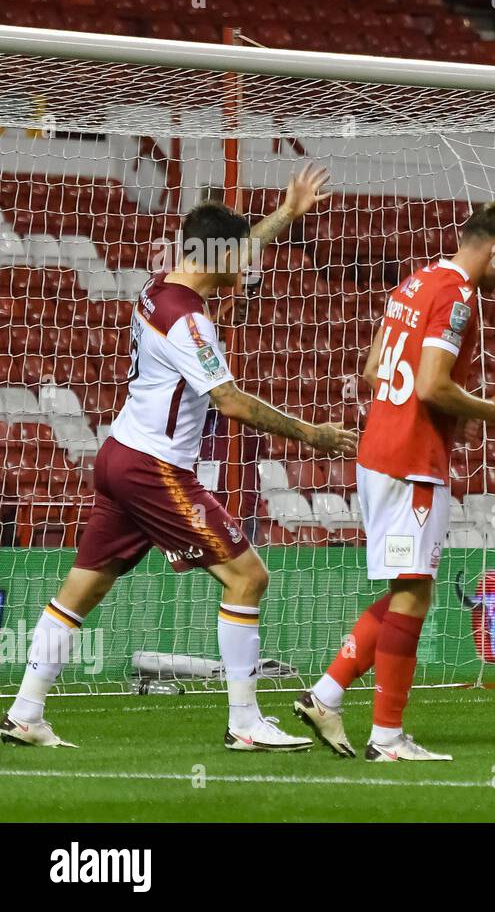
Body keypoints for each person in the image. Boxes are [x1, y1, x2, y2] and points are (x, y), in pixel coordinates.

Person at [1, 166, 358, 750]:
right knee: (248, 577)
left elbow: (227, 249)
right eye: (238, 257)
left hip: (119, 453)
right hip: (154, 468)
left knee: (80, 591)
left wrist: (287, 215)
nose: (247, 266)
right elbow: (229, 400)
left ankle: (25, 712)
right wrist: (312, 435)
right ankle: (245, 723)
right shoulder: (189, 322)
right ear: (215, 255)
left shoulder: (161, 284)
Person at [294, 203, 495, 762]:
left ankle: (325, 695)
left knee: (408, 590)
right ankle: (388, 736)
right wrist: (488, 409)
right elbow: (429, 385)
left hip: (378, 454)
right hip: (412, 464)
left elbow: (375, 368)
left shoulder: (413, 282)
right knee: (414, 594)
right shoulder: (457, 294)